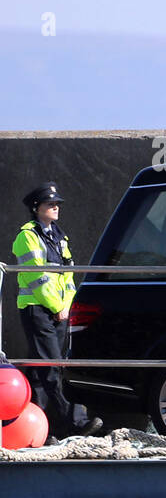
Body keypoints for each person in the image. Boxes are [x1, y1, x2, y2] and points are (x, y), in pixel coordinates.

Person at [13, 182, 102, 442]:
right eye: (50, 204)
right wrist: (56, 307)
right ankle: (75, 421)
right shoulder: (27, 236)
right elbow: (36, 278)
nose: (56, 207)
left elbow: (68, 277)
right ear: (36, 208)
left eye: (57, 204)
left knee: (41, 371)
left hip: (59, 312)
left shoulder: (59, 237)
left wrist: (67, 306)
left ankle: (41, 430)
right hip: (37, 310)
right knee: (51, 366)